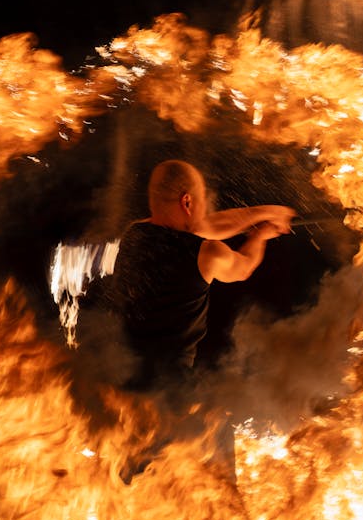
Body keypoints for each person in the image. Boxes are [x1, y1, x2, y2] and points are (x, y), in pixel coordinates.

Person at [109, 159, 296, 393]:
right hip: (170, 388)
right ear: (187, 201)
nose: (206, 210)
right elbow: (244, 267)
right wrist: (260, 236)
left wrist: (265, 213)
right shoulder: (207, 253)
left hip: (121, 377)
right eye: (202, 201)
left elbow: (207, 225)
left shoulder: (134, 233)